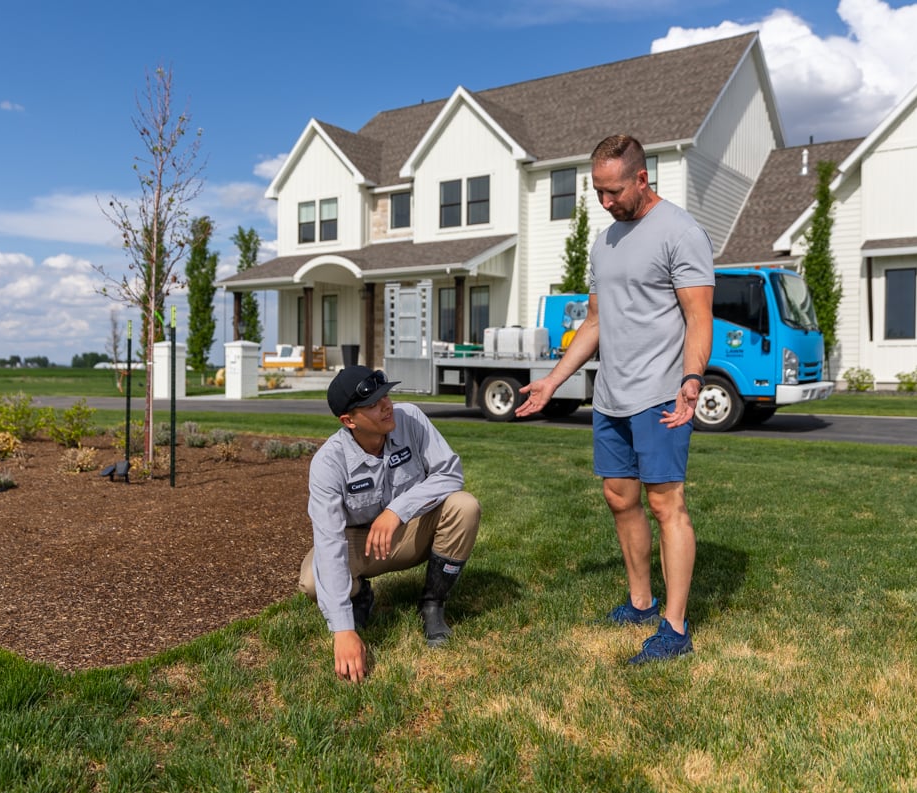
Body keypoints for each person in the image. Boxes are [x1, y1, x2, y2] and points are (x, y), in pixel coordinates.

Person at [517, 133, 714, 664]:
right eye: (597, 192)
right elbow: (596, 322)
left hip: (659, 394)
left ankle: (674, 627)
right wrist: (553, 381)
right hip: (611, 396)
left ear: (642, 178)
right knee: (620, 498)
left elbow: (699, 317)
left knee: (664, 503)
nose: (606, 202)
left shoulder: (680, 232)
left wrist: (692, 381)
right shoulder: (604, 242)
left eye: (613, 191)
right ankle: (641, 601)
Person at [300, 364, 480, 682]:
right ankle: (359, 597)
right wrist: (342, 630)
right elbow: (329, 542)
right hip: (360, 543)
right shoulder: (327, 463)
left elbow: (451, 473)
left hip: (410, 530)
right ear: (348, 420)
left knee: (464, 506)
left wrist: (396, 511)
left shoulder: (410, 418)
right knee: (312, 582)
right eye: (372, 404)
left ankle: (433, 605)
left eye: (387, 396)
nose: (387, 405)